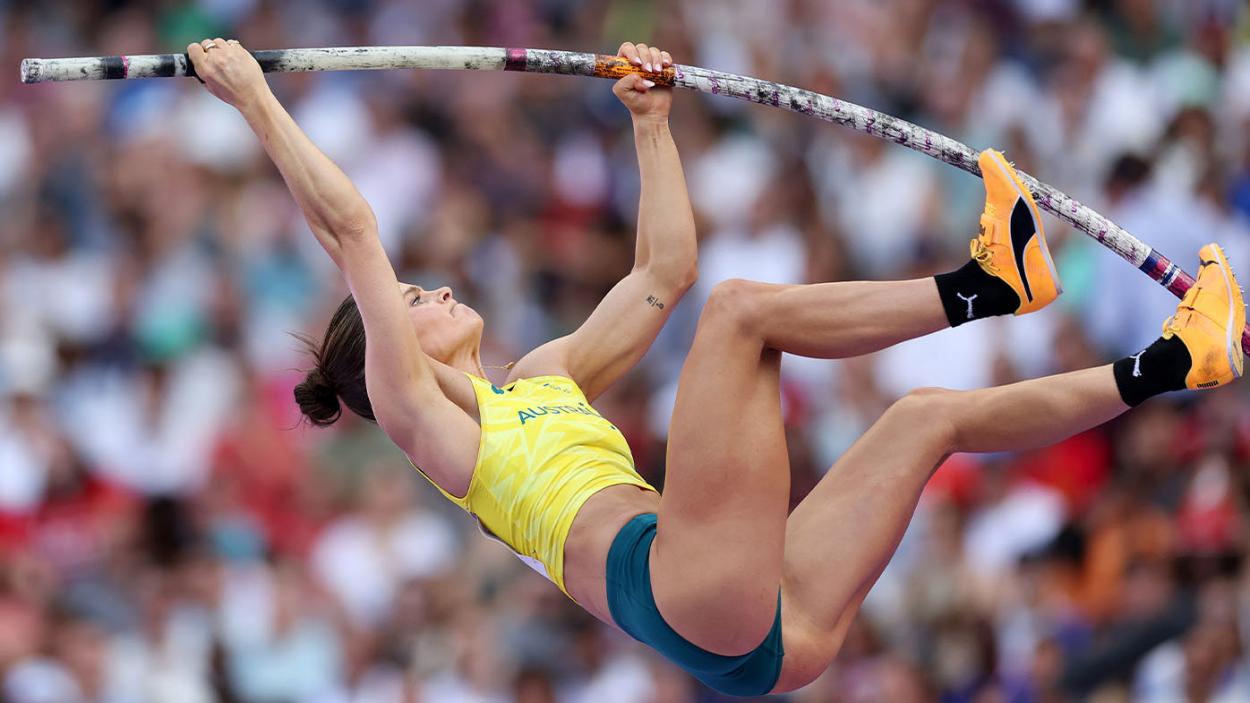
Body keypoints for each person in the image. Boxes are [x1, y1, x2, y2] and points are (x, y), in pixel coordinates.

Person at [186, 37, 1245, 697]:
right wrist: (253, 102)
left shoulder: (546, 373)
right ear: (385, 360)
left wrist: (650, 125)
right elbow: (351, 228)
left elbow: (662, 270)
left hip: (762, 639)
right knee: (743, 317)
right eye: (411, 301)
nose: (430, 291)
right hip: (686, 586)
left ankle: (1172, 358)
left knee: (925, 417)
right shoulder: (427, 427)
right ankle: (986, 285)